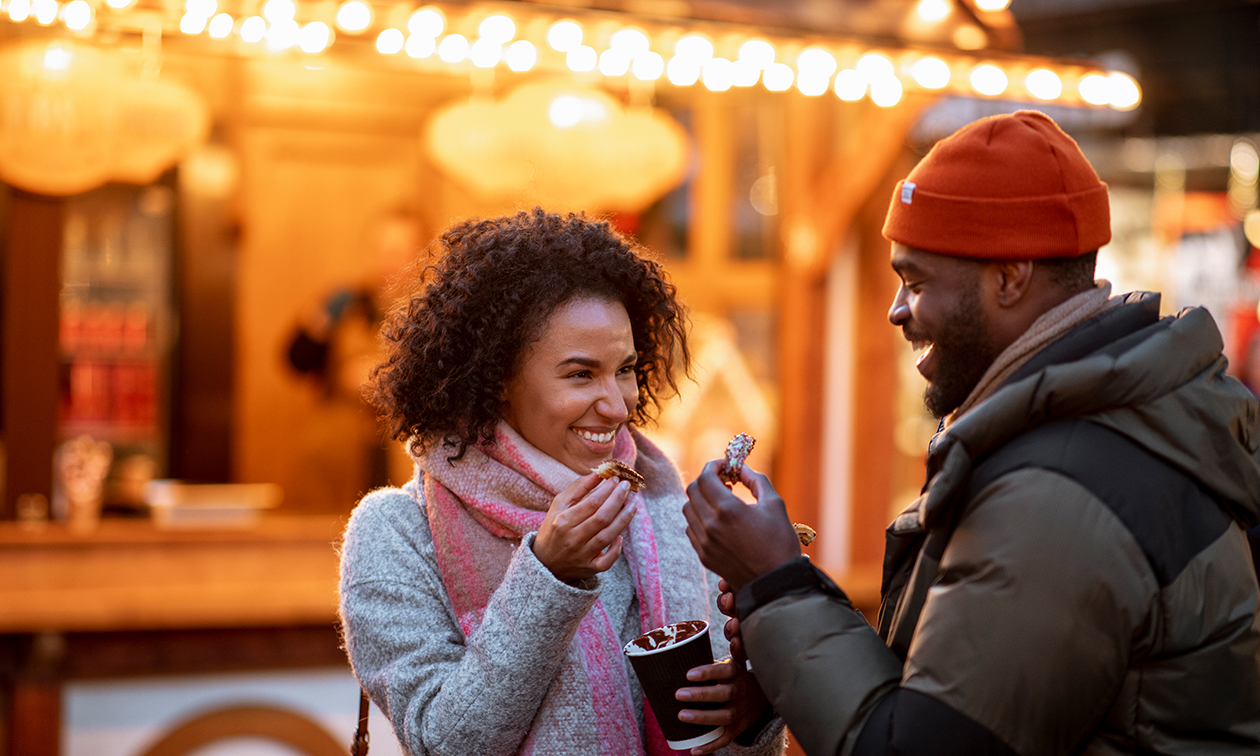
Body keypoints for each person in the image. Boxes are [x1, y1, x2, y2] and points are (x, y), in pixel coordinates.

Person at [682, 111, 1260, 755]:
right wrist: (790, 670)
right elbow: (954, 697)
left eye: (917, 281)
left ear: (1009, 278)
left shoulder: (1061, 490)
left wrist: (776, 583)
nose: (898, 310)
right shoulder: (1090, 437)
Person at [338, 209, 785, 756]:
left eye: (625, 369)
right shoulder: (398, 534)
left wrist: (752, 713)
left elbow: (723, 737)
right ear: (497, 378)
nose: (618, 404)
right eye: (580, 374)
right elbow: (445, 744)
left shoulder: (667, 505)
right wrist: (549, 575)